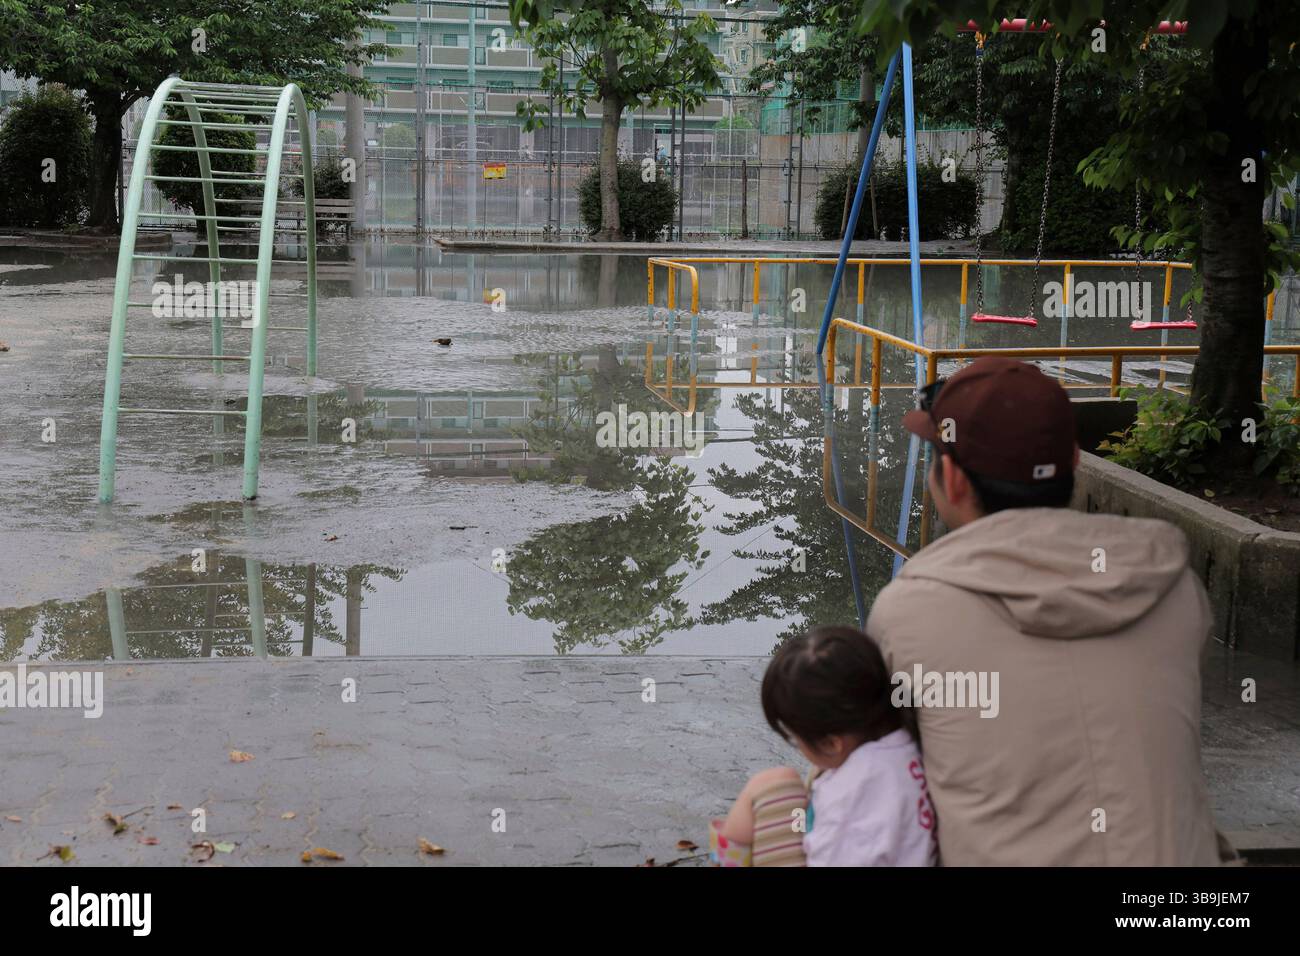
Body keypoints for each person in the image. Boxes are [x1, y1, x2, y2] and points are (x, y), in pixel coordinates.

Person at [866, 356, 1236, 866]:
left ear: (949, 479)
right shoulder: (1175, 590)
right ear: (1076, 463)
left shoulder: (909, 611)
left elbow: (885, 774)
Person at [711, 626, 938, 867]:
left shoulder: (847, 797)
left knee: (770, 786)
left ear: (831, 744)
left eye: (795, 737)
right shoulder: (903, 741)